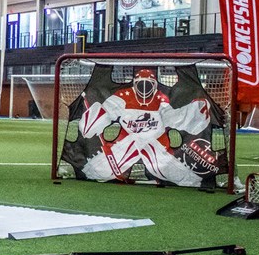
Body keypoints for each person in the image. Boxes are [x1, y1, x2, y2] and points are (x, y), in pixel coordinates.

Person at [75, 68, 211, 187]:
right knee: (95, 171)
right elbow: (107, 110)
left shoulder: (160, 99)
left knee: (182, 176)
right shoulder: (124, 96)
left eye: (148, 84)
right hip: (127, 142)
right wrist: (93, 121)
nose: (145, 88)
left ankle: (185, 179)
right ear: (135, 84)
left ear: (154, 85)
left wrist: (194, 112)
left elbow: (173, 117)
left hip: (155, 144)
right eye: (141, 84)